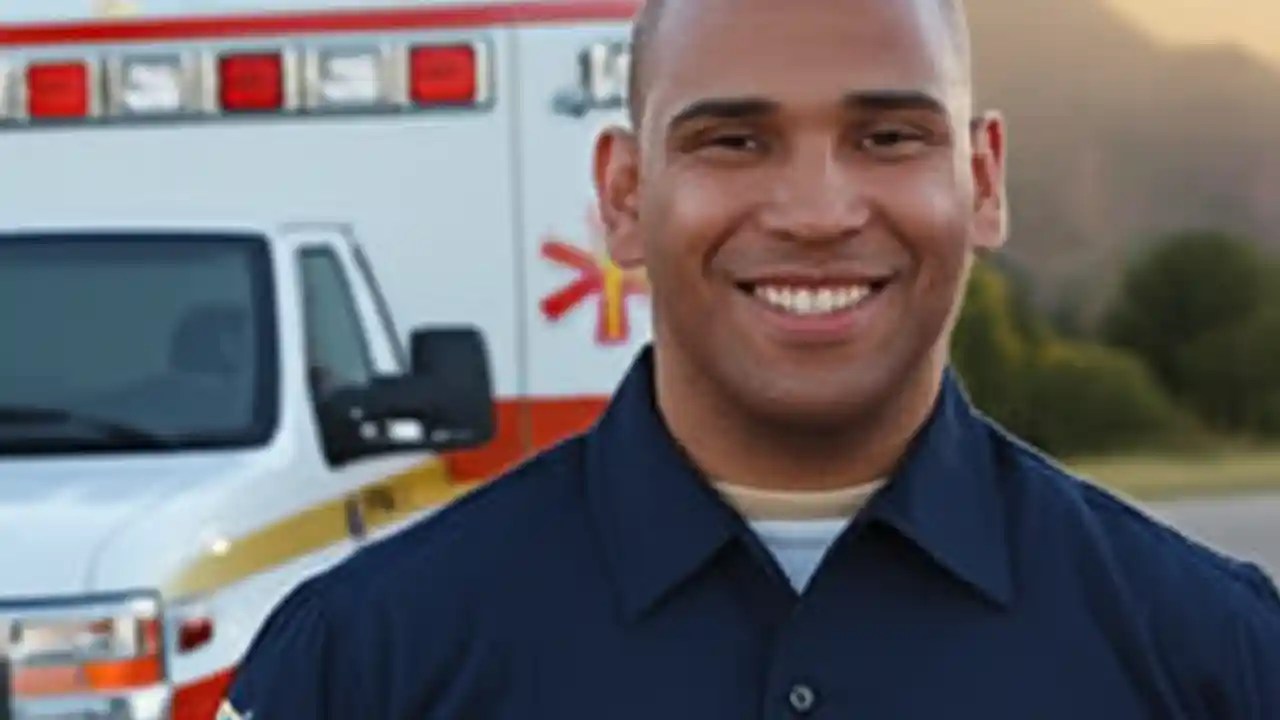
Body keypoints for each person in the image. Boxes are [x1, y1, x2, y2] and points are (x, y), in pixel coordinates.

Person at [220, 0, 1280, 716]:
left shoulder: (1212, 659)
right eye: (733, 141)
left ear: (982, 178)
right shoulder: (358, 667)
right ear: (625, 198)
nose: (817, 213)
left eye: (886, 138)